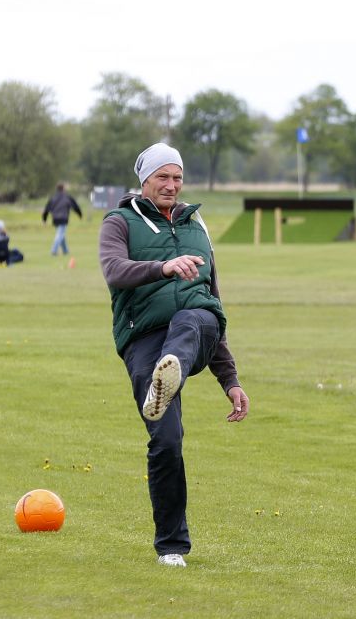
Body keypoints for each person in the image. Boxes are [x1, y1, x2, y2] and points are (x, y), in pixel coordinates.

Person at [99, 142, 250, 567]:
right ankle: (171, 548)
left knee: (195, 315)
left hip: (198, 327)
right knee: (165, 442)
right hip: (144, 337)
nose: (171, 185)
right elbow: (114, 270)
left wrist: (230, 380)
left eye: (177, 177)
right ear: (144, 180)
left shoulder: (196, 224)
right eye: (162, 177)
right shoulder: (119, 222)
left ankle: (175, 368)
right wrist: (163, 267)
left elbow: (212, 293)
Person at [42, 183, 84, 256]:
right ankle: (54, 250)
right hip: (63, 218)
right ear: (63, 189)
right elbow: (75, 206)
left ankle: (65, 251)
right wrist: (80, 214)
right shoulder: (67, 197)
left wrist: (44, 219)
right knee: (60, 234)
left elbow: (46, 209)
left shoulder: (53, 198)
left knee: (61, 234)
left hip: (55, 219)